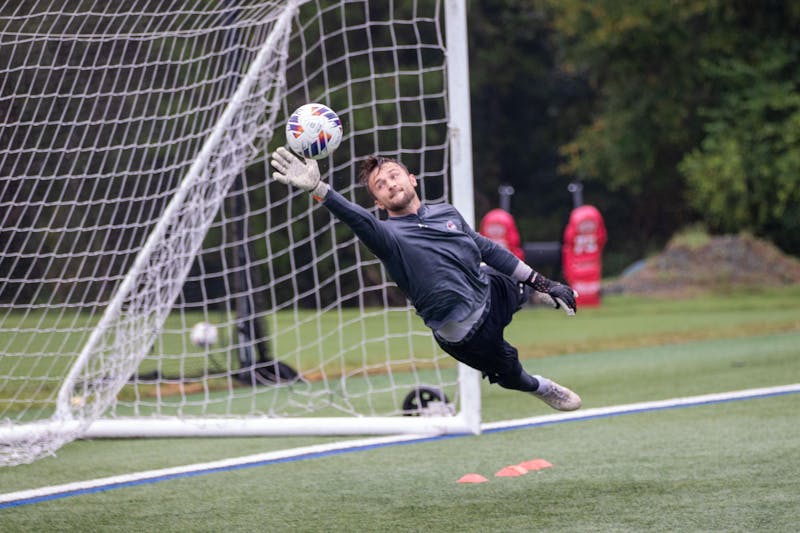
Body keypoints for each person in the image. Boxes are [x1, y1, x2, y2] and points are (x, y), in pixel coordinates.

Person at [270, 148, 582, 411]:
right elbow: (356, 217)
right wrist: (319, 189)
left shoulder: (446, 212)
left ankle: (534, 294)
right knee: (513, 375)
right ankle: (540, 387)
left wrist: (544, 282)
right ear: (379, 202)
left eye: (394, 175)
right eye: (380, 185)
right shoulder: (387, 236)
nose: (390, 184)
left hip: (488, 289)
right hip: (468, 334)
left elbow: (485, 247)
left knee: (502, 271)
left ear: (412, 179)